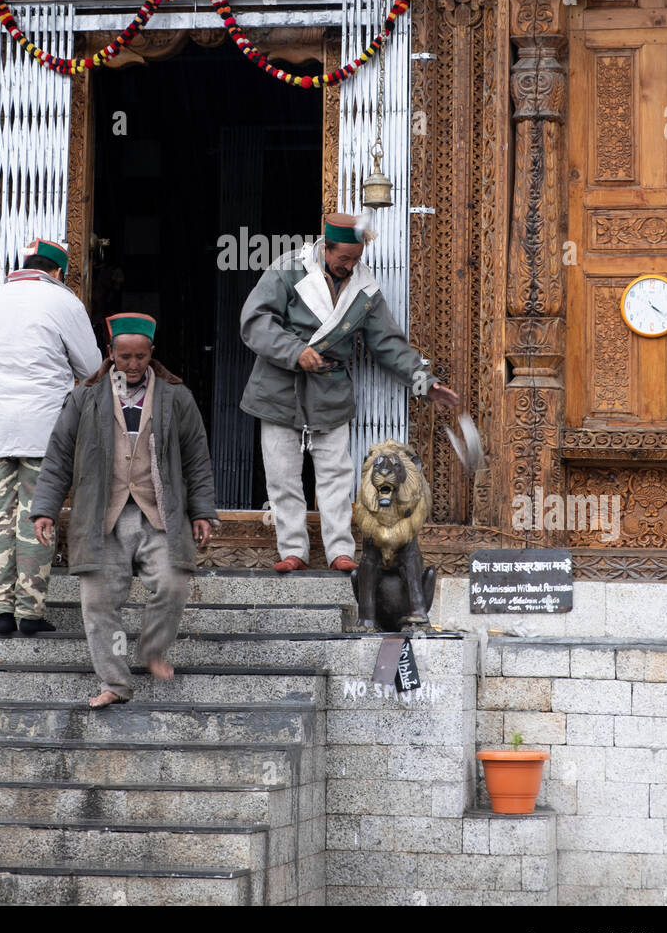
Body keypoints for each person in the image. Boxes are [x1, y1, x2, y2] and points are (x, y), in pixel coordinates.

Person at [240, 213, 459, 573]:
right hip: (278, 390)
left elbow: (387, 343)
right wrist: (295, 352)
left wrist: (426, 382)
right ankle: (293, 551)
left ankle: (340, 551)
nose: (350, 265)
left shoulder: (364, 288)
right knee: (282, 477)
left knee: (337, 476)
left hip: (329, 392)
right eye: (344, 258)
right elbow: (256, 322)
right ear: (325, 248)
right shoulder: (287, 269)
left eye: (356, 258)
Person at [30, 313, 218, 708]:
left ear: (152, 353)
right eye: (124, 356)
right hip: (102, 517)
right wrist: (45, 508)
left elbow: (197, 458)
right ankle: (115, 683)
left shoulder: (175, 396)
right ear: (110, 353)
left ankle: (151, 650)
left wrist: (202, 511)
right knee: (98, 602)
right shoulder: (85, 396)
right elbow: (59, 456)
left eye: (140, 357)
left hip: (159, 514)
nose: (133, 365)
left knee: (173, 584)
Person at [0, 239, 102, 638]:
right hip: (43, 428)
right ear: (58, 271)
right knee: (36, 517)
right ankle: (30, 614)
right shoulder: (63, 302)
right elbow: (92, 367)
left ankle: (1, 613)